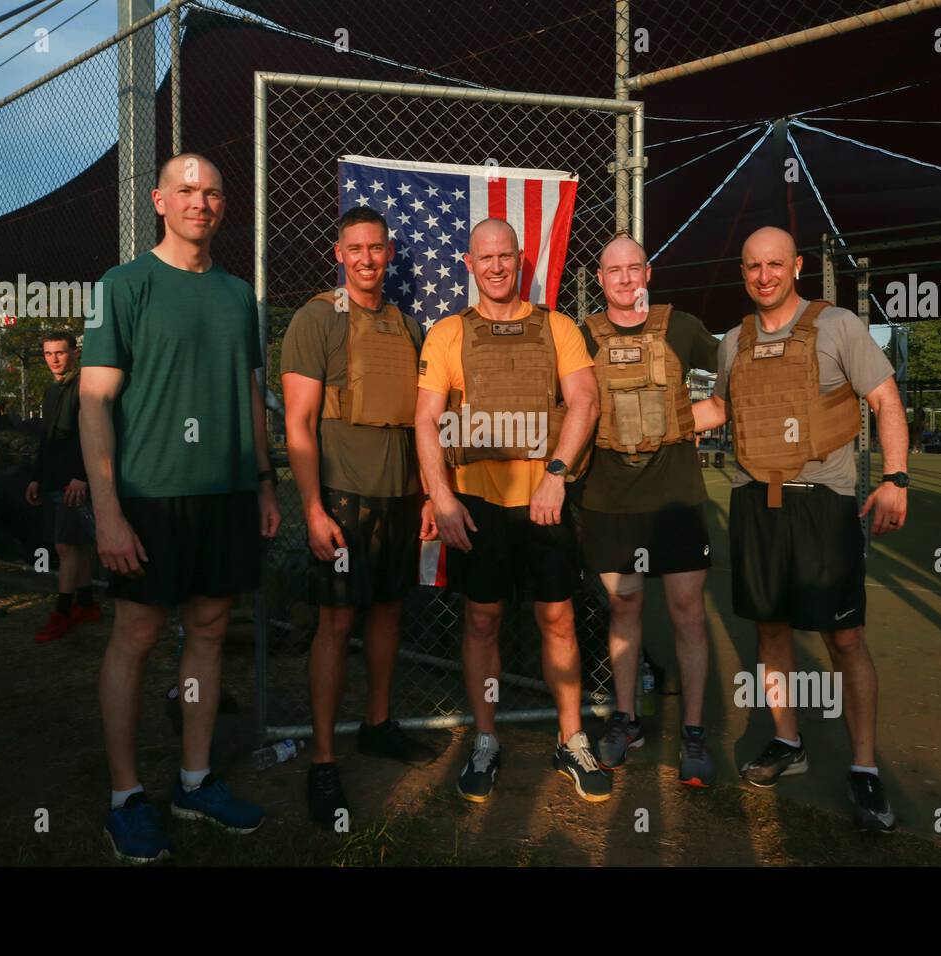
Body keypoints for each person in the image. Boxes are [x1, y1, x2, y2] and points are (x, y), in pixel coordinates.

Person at [80, 153, 280, 863]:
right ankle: (126, 797)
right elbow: (95, 400)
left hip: (225, 495)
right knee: (135, 635)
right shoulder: (122, 284)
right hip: (150, 500)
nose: (202, 201)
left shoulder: (237, 295)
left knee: (209, 626)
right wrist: (108, 512)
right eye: (188, 190)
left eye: (214, 191)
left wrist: (262, 482)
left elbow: (252, 395)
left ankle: (195, 780)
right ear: (160, 201)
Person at [690, 226, 909, 832]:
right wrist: (651, 423)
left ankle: (864, 766)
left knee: (843, 639)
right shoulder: (732, 341)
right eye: (753, 266)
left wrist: (896, 477)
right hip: (753, 499)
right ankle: (788, 742)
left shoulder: (837, 326)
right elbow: (720, 412)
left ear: (796, 266)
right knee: (769, 628)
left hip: (824, 502)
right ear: (743, 271)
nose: (764, 276)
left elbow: (886, 401)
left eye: (775, 265)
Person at [415, 218, 609, 804]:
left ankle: (571, 738)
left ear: (520, 260)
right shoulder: (447, 333)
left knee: (557, 619)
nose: (496, 266)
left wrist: (556, 474)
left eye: (506, 256)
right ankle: (486, 739)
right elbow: (426, 419)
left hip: (544, 503)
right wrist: (442, 495)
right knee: (482, 619)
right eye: (485, 257)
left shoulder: (557, 327)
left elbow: (585, 401)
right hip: (476, 504)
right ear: (468, 264)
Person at [281, 206, 437, 829]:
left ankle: (377, 724)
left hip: (401, 496)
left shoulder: (406, 326)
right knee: (336, 622)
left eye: (377, 248)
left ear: (390, 252)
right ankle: (323, 758)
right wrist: (313, 508)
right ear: (339, 253)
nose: (368, 258)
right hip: (344, 496)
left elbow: (424, 421)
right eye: (356, 249)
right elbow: (297, 423)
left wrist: (428, 494)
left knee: (389, 611)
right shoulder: (316, 319)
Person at [578, 235, 719, 786]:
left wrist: (685, 422)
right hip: (611, 499)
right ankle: (626, 718)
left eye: (634, 268)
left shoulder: (681, 327)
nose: (624, 278)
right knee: (624, 608)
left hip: (676, 497)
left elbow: (739, 378)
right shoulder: (581, 335)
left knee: (687, 611)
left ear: (648, 273)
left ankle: (693, 731)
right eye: (614, 270)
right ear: (599, 277)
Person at [27, 330, 101, 643]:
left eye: (60, 352)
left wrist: (82, 475)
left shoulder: (86, 385)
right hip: (57, 478)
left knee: (66, 547)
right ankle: (85, 604)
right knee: (76, 544)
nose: (54, 359)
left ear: (75, 352)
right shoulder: (52, 390)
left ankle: (63, 612)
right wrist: (37, 477)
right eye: (48, 353)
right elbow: (47, 439)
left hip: (77, 480)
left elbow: (95, 434)